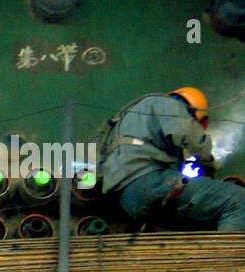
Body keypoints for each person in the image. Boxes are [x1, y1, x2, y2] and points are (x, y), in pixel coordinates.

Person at [98, 87, 245, 231]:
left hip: (127, 199)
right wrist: (209, 162)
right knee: (238, 201)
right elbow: (192, 137)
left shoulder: (119, 124)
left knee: (206, 221)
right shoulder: (166, 103)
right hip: (151, 182)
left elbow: (96, 168)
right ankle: (225, 255)